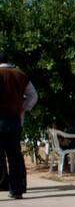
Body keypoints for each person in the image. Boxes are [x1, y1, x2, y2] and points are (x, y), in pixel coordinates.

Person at [0, 50, 38, 199]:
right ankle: (16, 189)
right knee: (14, 154)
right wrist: (23, 108)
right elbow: (33, 96)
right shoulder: (20, 74)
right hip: (15, 118)